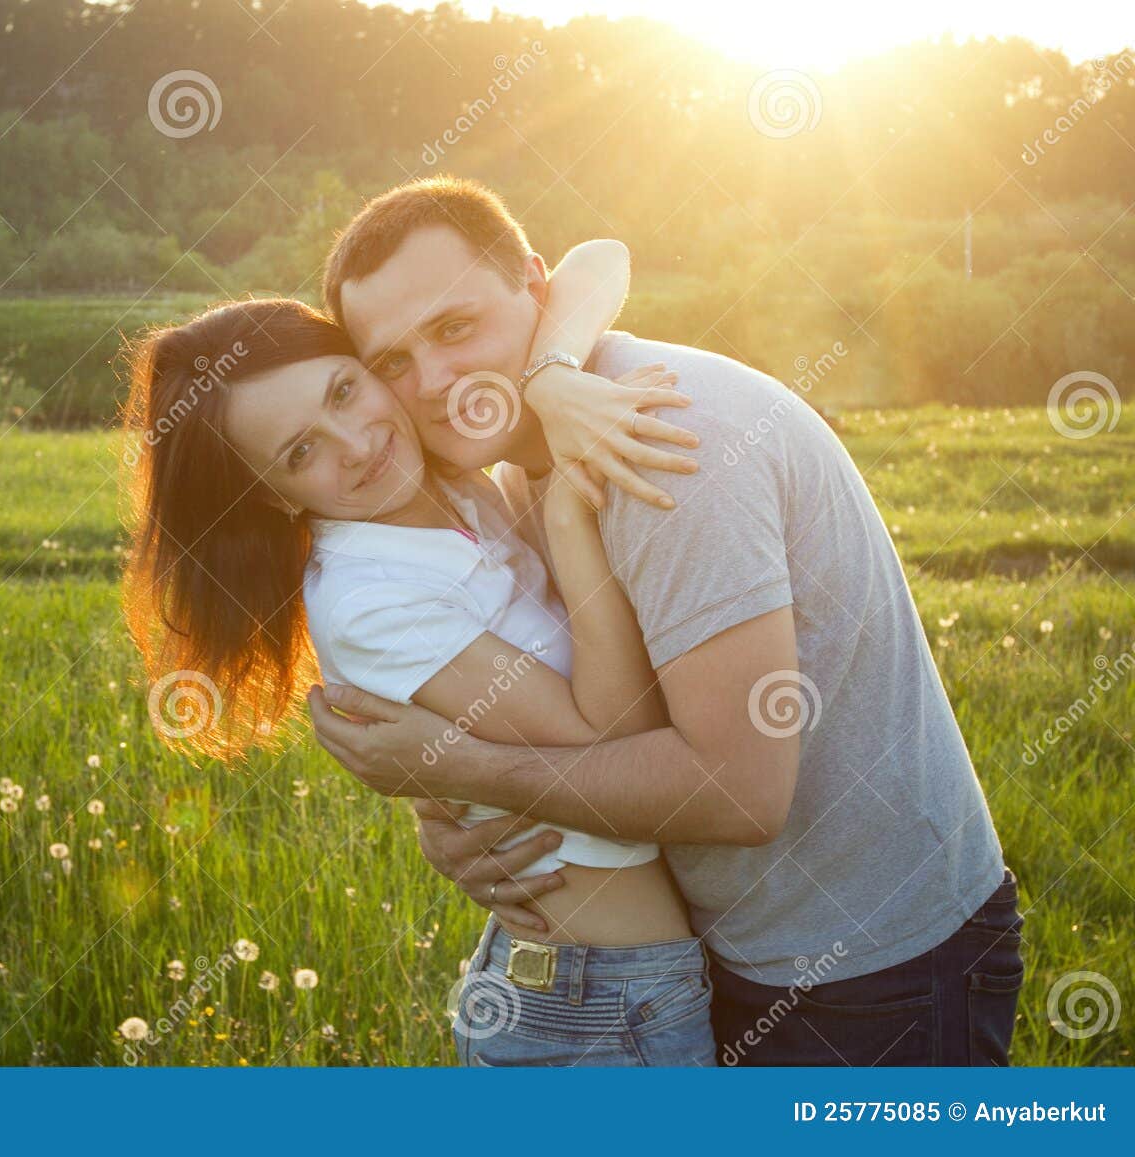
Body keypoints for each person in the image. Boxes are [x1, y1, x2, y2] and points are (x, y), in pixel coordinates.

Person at [307, 176, 1023, 1066]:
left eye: (455, 328)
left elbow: (736, 788)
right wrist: (459, 812)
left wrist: (459, 764)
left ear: (535, 292)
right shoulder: (525, 462)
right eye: (391, 364)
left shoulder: (657, 443)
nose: (434, 381)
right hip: (735, 946)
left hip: (871, 968)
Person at [121, 240, 727, 1065]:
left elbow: (601, 259)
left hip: (635, 982)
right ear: (269, 492)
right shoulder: (370, 603)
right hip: (593, 1006)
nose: (355, 442)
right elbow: (611, 734)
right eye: (301, 451)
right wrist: (567, 525)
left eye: (346, 389)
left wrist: (547, 379)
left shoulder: (450, 474)